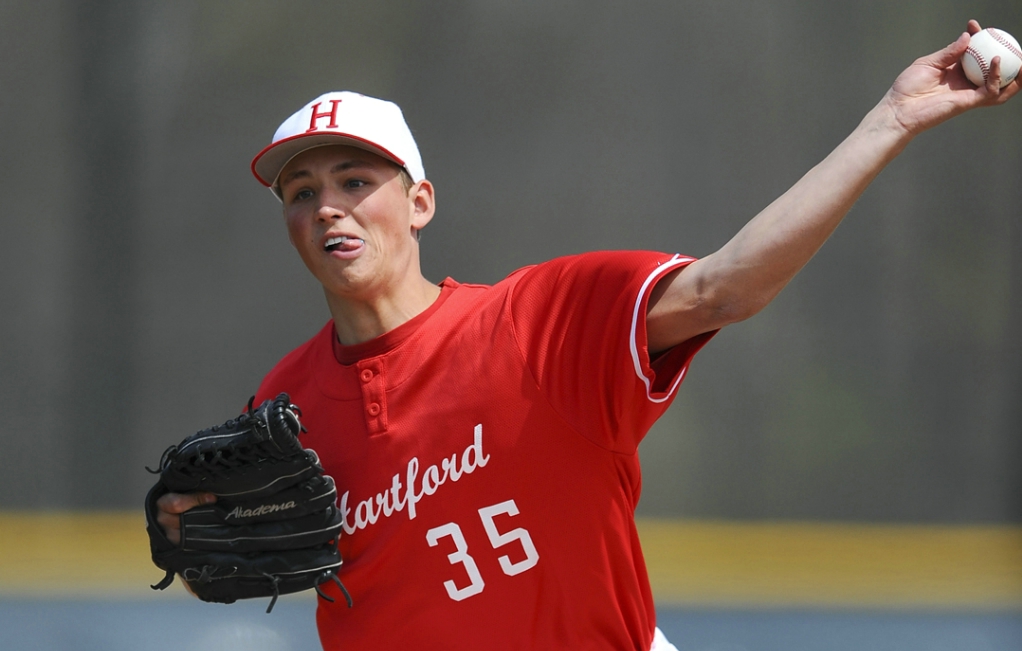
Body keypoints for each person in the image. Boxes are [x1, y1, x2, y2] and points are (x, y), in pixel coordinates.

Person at [156, 21, 1018, 650]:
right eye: (299, 192)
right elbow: (235, 559)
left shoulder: (543, 320)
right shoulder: (285, 404)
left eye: (354, 177)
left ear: (420, 202)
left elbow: (728, 284)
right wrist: (187, 531)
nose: (327, 206)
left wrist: (891, 121)